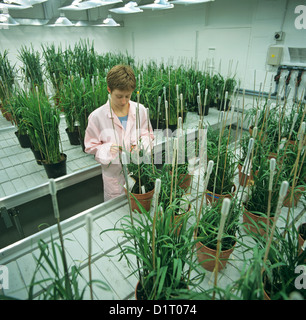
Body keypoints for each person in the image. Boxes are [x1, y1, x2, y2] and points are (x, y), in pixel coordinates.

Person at [84, 65, 154, 202]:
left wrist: (142, 145)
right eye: (119, 96)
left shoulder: (140, 111)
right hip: (115, 179)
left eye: (128, 96)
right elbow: (90, 146)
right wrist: (107, 148)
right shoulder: (97, 117)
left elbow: (148, 134)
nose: (123, 101)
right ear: (109, 90)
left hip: (139, 174)